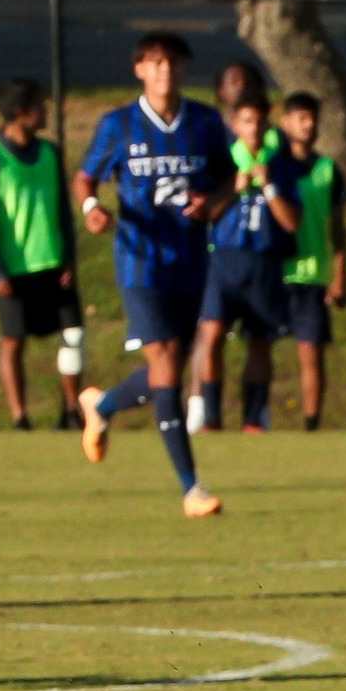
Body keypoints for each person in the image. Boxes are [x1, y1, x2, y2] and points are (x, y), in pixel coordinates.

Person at [73, 30, 231, 518]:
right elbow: (85, 177)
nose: (165, 72)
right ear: (139, 69)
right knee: (164, 362)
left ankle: (100, 407)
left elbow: (230, 177)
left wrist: (215, 203)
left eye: (173, 63)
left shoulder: (204, 122)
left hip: (189, 260)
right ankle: (191, 488)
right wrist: (92, 205)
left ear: (184, 70)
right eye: (155, 63)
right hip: (138, 260)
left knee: (171, 368)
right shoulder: (119, 124)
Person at [0, 79, 82, 432]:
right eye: (39, 105)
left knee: (73, 334)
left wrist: (69, 257)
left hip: (52, 261)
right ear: (20, 113)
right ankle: (20, 417)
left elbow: (64, 209)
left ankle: (71, 410)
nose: (46, 112)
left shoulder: (50, 152)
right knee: (13, 340)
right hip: (15, 267)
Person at [196, 93, 302, 434]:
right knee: (211, 336)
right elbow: (206, 213)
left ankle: (254, 418)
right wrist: (233, 188)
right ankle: (211, 415)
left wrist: (268, 185)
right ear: (234, 125)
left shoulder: (281, 165)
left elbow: (291, 222)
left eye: (259, 122)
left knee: (260, 343)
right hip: (223, 261)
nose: (253, 129)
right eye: (246, 122)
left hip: (264, 262)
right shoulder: (223, 162)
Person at [277, 91, 346, 431]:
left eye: (313, 118)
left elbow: (338, 229)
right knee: (258, 349)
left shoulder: (327, 170)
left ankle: (311, 425)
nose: (309, 125)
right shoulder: (273, 168)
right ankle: (253, 421)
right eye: (302, 117)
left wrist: (340, 275)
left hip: (312, 275)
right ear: (285, 121)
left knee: (311, 354)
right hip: (274, 273)